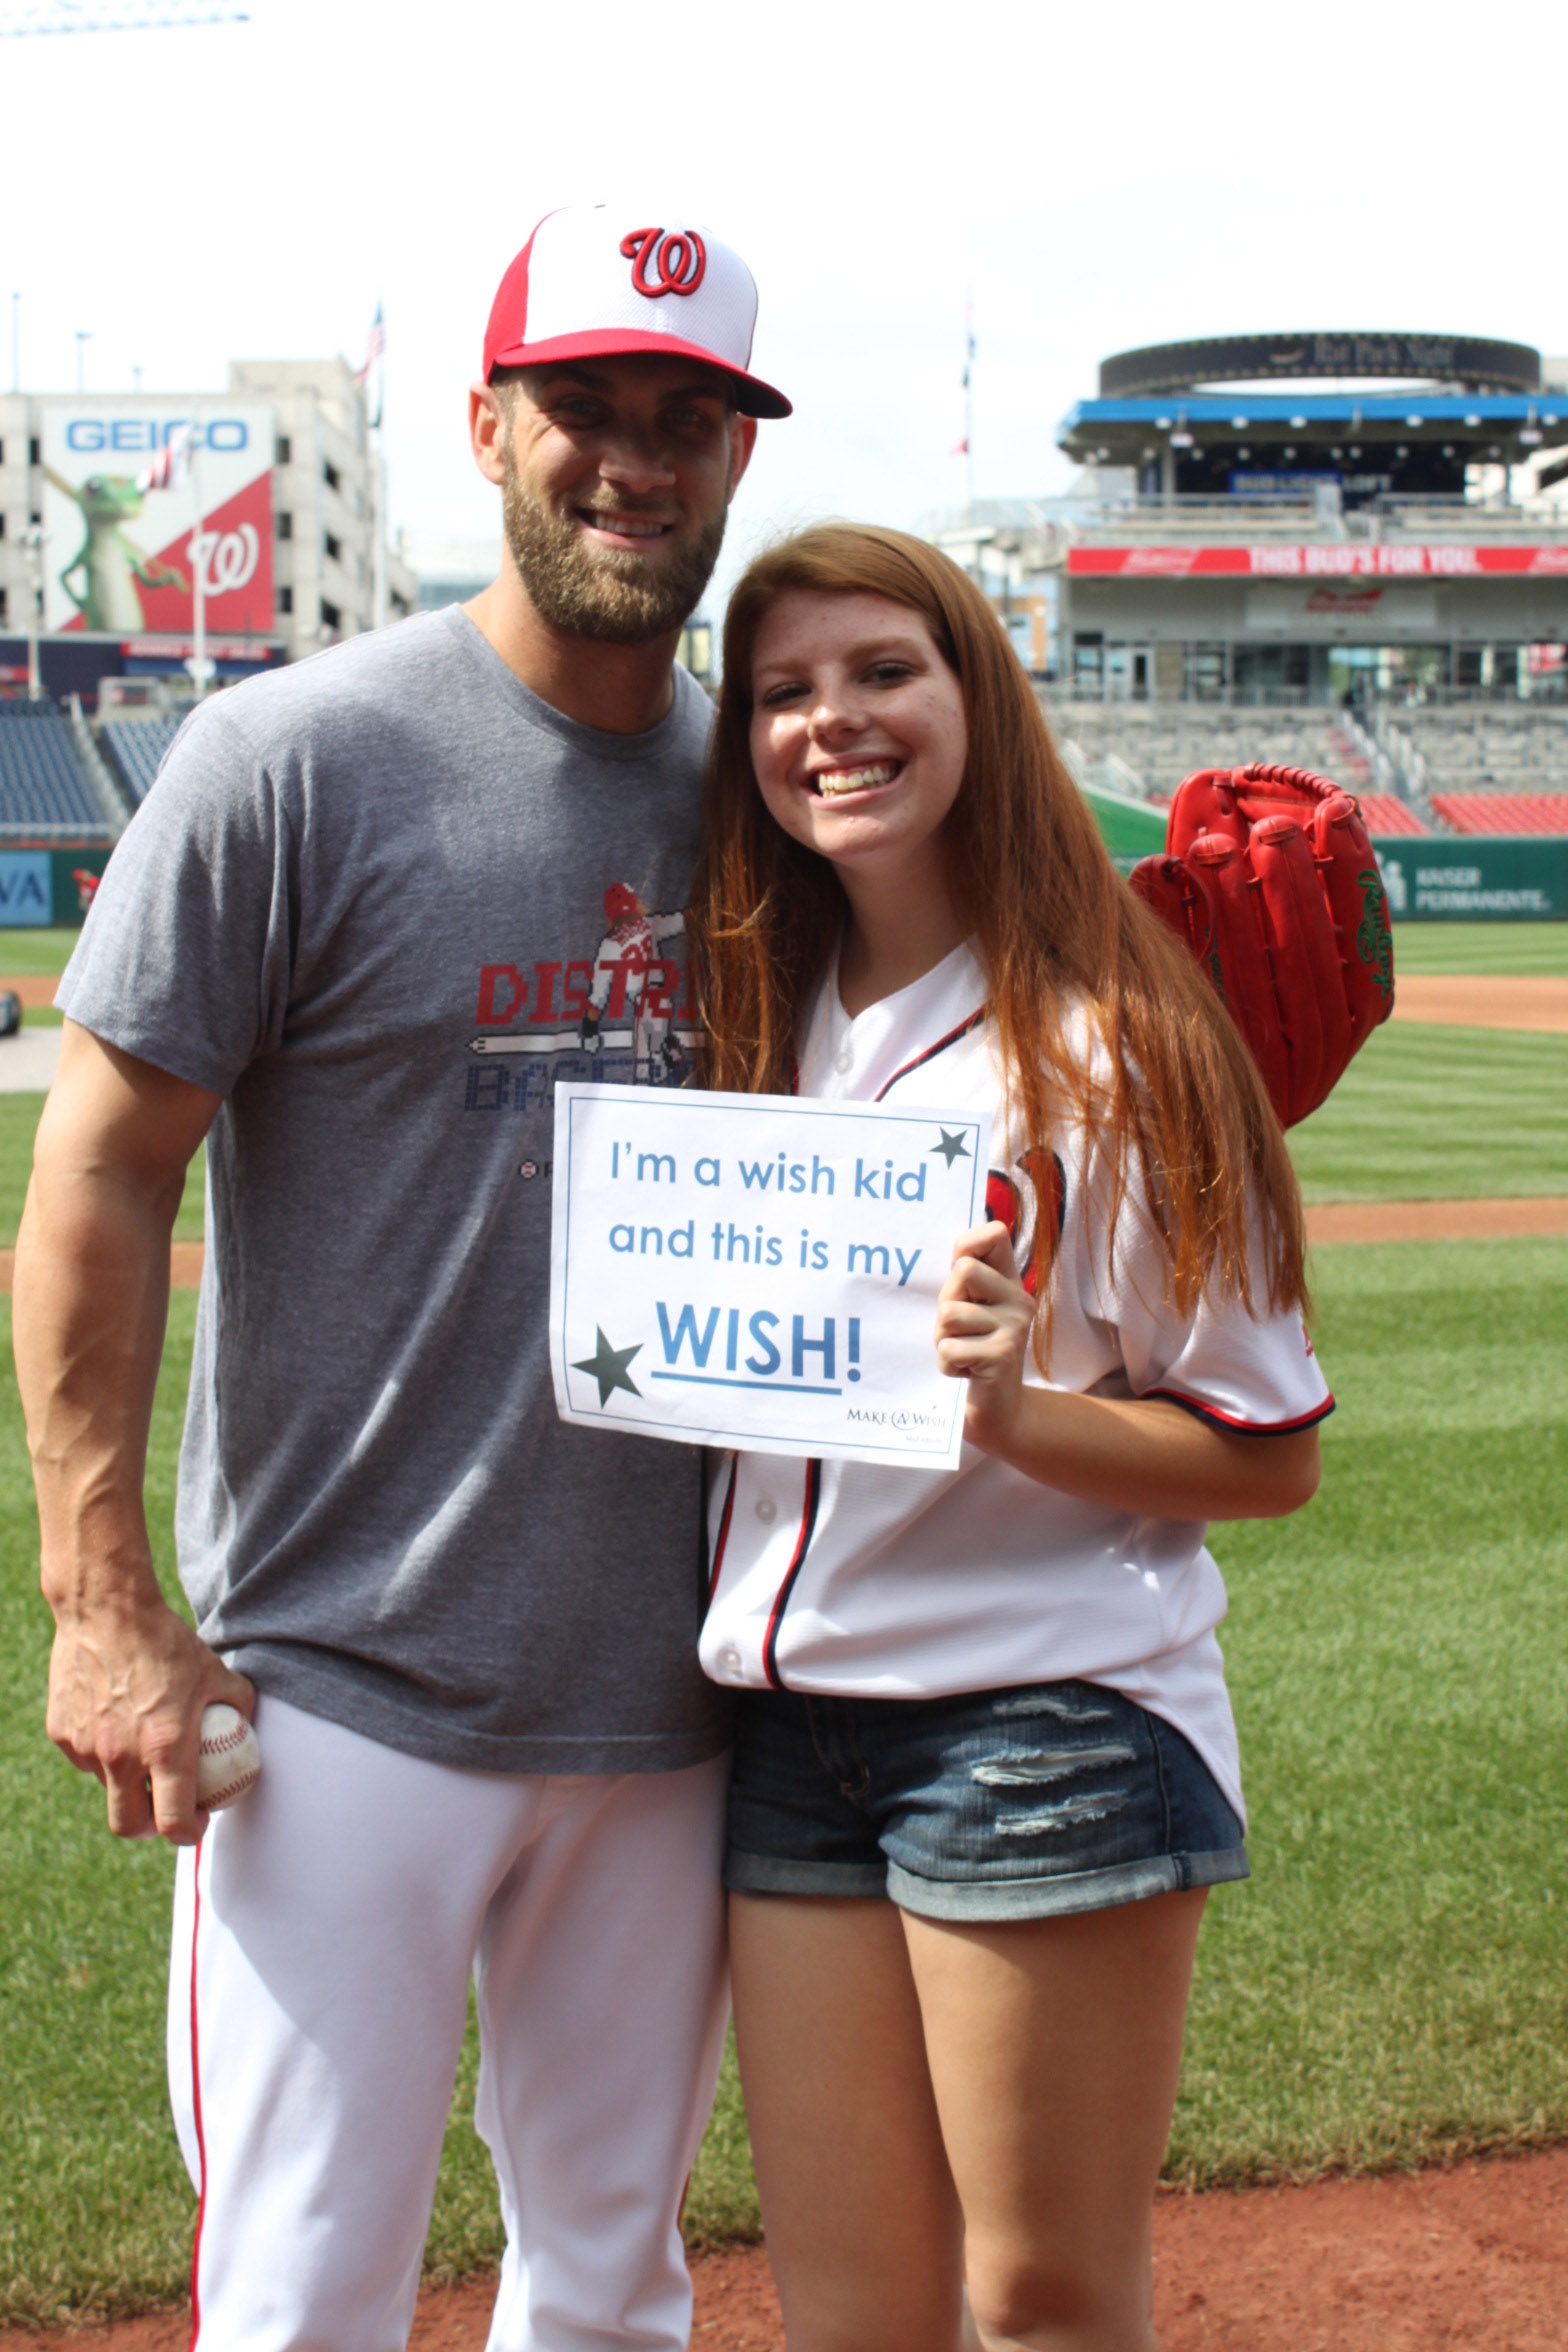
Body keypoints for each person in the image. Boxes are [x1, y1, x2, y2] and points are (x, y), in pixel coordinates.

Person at [13, 205, 789, 2352]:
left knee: (615, 2290)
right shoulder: (291, 757)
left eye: (688, 421)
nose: (637, 461)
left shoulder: (773, 799)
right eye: (588, 414)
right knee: (304, 2295)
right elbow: (95, 1179)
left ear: (737, 461)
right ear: (485, 427)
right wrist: (100, 1608)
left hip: (676, 1703)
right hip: (339, 1696)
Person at [688, 525, 1332, 2352]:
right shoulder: (758, 1017)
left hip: (1040, 1718)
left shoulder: (1124, 1040)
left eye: (886, 670)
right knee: (850, 2310)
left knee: (1042, 2301)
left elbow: (1266, 1454)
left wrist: (1021, 1414)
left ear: (978, 689)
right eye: (784, 691)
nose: (835, 721)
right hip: (785, 1734)